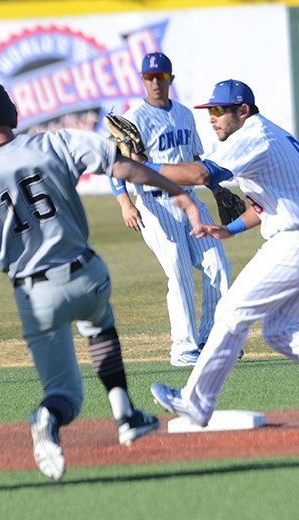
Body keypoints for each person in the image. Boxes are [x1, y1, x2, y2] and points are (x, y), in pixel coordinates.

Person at [0, 80, 205, 481]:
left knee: (66, 396)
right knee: (99, 324)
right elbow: (122, 166)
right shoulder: (52, 143)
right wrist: (178, 191)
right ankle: (125, 415)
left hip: (35, 296)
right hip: (86, 276)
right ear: (10, 111)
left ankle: (47, 419)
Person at [148, 79, 299, 427]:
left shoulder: (254, 134)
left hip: (298, 242)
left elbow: (198, 173)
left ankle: (195, 402)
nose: (212, 119)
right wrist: (229, 229)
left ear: (242, 111)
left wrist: (143, 167)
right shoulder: (273, 136)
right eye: (209, 111)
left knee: (230, 310)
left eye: (218, 111)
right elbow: (266, 205)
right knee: (280, 329)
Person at [109, 52, 233, 367]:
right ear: (142, 80)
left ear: (170, 79)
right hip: (153, 203)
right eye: (149, 77)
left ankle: (209, 338)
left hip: (188, 198)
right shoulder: (133, 116)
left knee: (218, 266)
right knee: (178, 273)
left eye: (161, 76)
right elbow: (115, 166)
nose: (155, 82)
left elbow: (195, 159)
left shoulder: (184, 114)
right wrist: (125, 203)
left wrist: (217, 190)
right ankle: (183, 348)